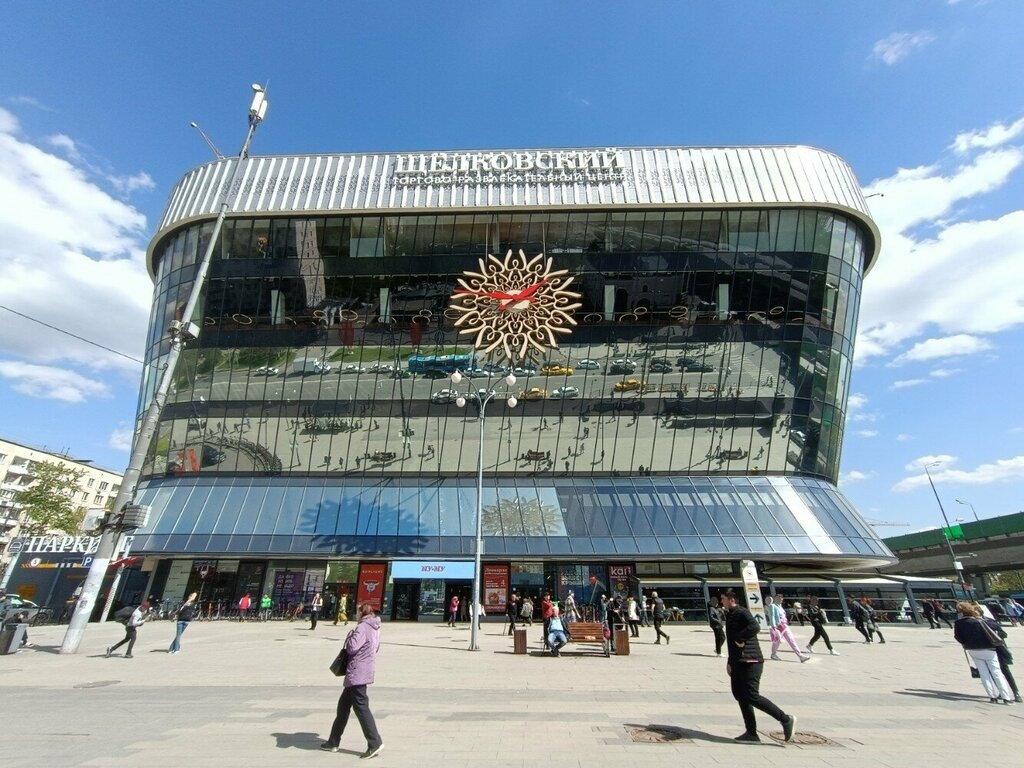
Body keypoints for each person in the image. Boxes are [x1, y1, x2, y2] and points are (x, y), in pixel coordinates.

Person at [722, 589, 797, 743]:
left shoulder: (742, 612)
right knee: (740, 695)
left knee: (751, 695)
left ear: (731, 599)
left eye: (723, 598)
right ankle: (751, 733)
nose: (721, 601)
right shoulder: (730, 614)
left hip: (751, 660)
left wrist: (740, 637)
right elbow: (731, 643)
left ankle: (785, 719)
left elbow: (755, 627)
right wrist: (730, 661)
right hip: (738, 661)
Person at [320, 602, 384, 758]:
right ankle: (333, 742)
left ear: (361, 613)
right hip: (364, 670)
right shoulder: (376, 628)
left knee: (361, 708)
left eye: (357, 611)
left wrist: (351, 636)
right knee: (343, 708)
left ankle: (374, 742)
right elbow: (376, 648)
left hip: (357, 673)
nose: (356, 614)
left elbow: (352, 648)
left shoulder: (363, 627)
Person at [953, 601, 1014, 704]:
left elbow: (957, 637)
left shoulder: (958, 623)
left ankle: (992, 696)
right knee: (996, 672)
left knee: (983, 673)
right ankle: (1006, 697)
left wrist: (965, 642)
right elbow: (996, 627)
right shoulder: (980, 621)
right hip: (988, 648)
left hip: (972, 649)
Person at [766, 595, 809, 662]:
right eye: (778, 598)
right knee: (777, 641)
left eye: (781, 598)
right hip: (778, 626)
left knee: (791, 640)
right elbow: (772, 616)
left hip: (784, 625)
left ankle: (800, 656)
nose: (780, 599)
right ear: (775, 599)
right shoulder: (772, 606)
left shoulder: (780, 607)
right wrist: (773, 626)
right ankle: (773, 654)